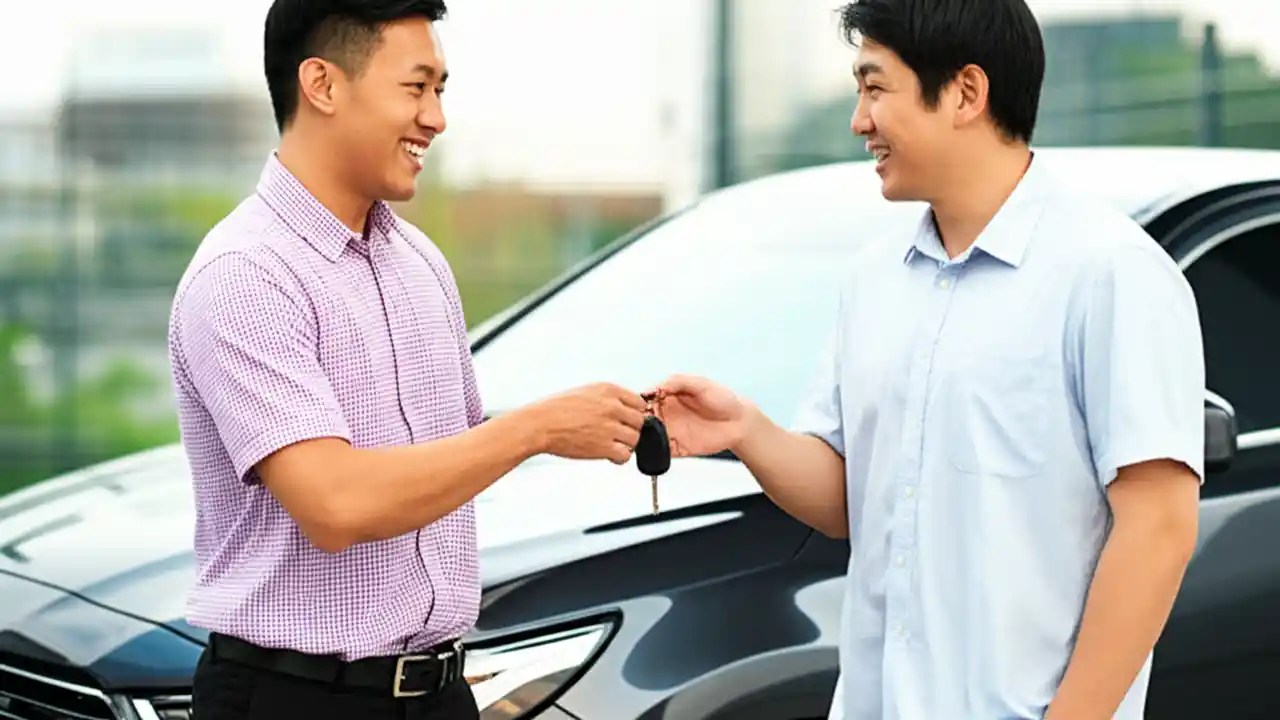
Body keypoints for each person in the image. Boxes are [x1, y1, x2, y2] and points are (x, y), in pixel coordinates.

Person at [649, 0, 1205, 718]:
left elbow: (1159, 525)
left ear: (967, 93)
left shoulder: (1112, 272)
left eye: (875, 88)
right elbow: (851, 498)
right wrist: (746, 432)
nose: (859, 120)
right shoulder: (876, 277)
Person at [166, 2, 647, 718]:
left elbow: (444, 464)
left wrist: (580, 424)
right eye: (415, 87)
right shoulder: (245, 275)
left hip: (441, 694)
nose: (436, 119)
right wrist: (536, 431)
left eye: (440, 90)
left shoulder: (421, 264)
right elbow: (336, 504)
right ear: (323, 85)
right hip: (291, 701)